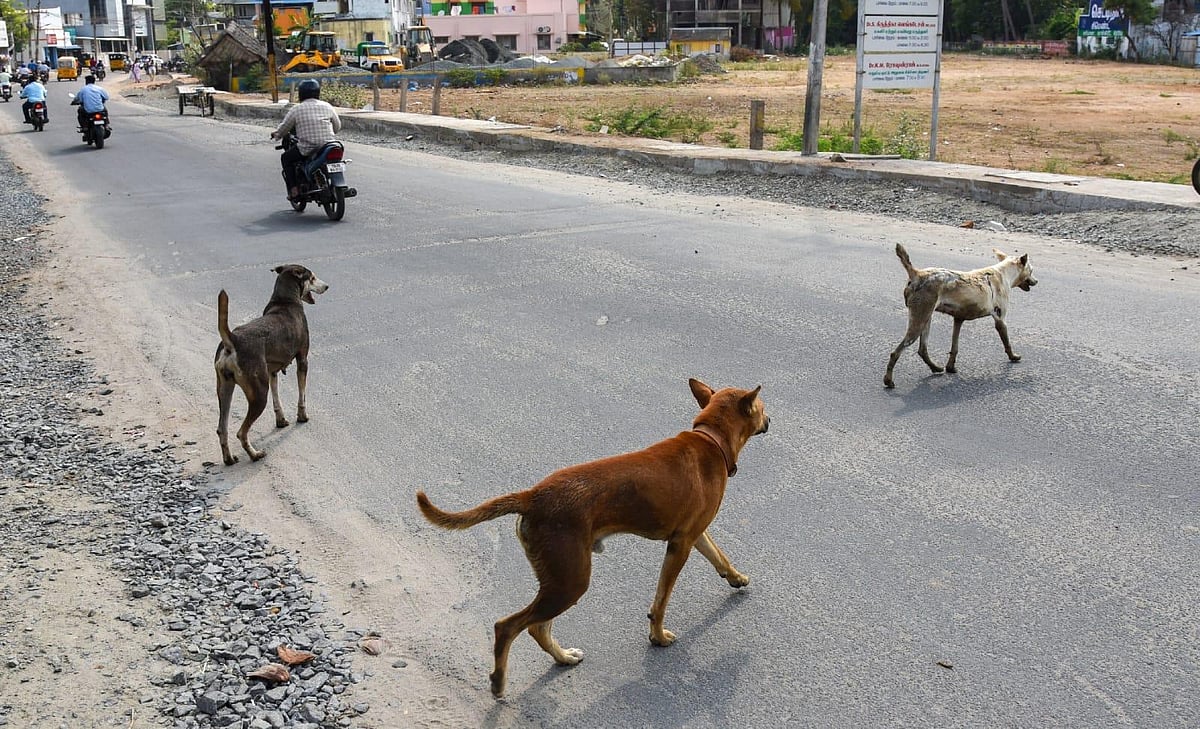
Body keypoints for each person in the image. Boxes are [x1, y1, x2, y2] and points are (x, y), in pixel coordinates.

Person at [270, 79, 342, 201]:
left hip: (308, 148)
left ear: (301, 93)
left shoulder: (296, 109)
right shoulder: (327, 106)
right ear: (317, 92)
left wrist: (276, 135)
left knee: (286, 158)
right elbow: (337, 126)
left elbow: (285, 127)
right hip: (329, 145)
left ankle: (294, 190)